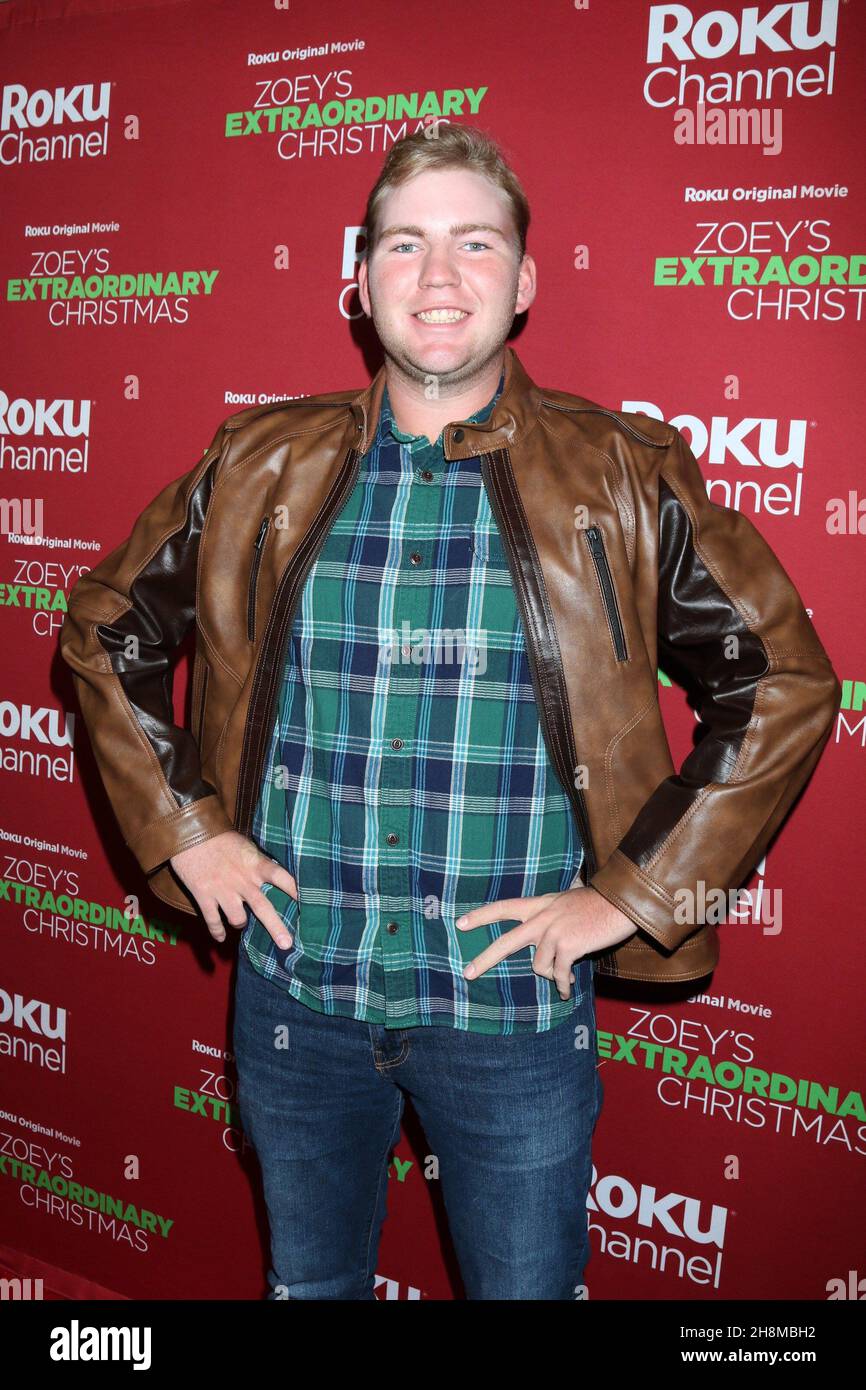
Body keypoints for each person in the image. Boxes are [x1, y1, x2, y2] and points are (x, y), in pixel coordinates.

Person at [60, 125, 841, 1300]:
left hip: (512, 1019)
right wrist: (182, 823)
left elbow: (780, 680)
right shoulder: (253, 461)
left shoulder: (623, 470)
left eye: (474, 243)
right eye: (403, 245)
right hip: (296, 997)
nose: (436, 277)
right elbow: (102, 629)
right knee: (307, 1289)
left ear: (522, 283)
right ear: (359, 279)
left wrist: (630, 893)